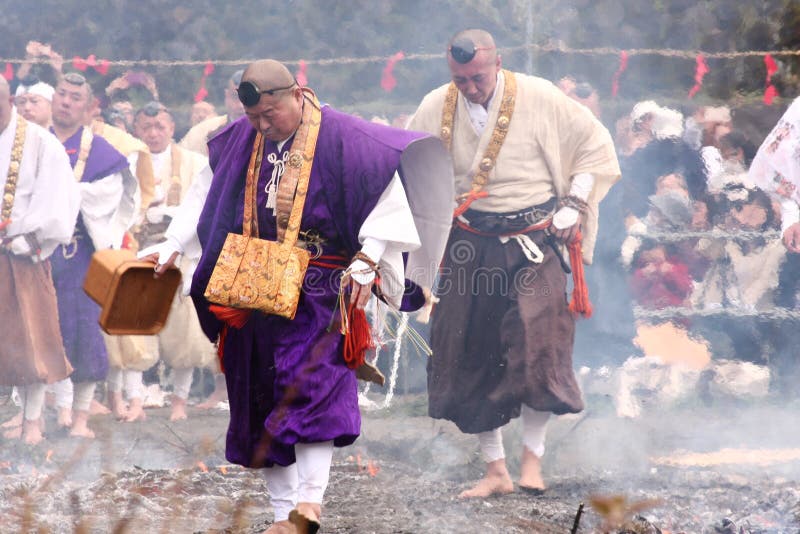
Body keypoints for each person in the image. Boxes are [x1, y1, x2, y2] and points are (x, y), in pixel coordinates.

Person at [187, 59, 450, 533]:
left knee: (309, 389)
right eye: (254, 119)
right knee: (257, 397)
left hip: (321, 287)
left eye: (271, 115)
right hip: (252, 283)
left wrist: (369, 258)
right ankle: (281, 514)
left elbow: (386, 202)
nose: (263, 126)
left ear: (297, 93)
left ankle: (309, 505)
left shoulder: (345, 136)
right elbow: (203, 199)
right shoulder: (240, 140)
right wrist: (171, 243)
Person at [407, 29, 620, 497]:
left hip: (533, 242)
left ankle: (532, 462)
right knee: (470, 349)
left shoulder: (540, 95)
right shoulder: (434, 106)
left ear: (497, 62)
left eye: (478, 77)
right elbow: (406, 164)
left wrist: (575, 203)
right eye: (460, 79)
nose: (470, 87)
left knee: (538, 343)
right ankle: (495, 470)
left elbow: (594, 146)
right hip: (469, 244)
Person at [105, 101, 216, 422]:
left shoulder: (194, 163)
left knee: (184, 333)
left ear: (172, 129)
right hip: (139, 251)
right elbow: (115, 209)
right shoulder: (127, 163)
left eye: (160, 127)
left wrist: (174, 219)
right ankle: (135, 400)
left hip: (180, 253)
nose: (153, 134)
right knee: (134, 330)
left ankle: (179, 401)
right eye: (146, 128)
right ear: (137, 129)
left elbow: (205, 206)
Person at [48, 72, 139, 438]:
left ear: (88, 108)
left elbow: (105, 198)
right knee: (39, 331)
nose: (66, 101)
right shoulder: (33, 143)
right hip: (36, 255)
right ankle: (39, 415)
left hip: (81, 253)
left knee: (84, 333)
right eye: (61, 94)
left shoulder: (100, 152)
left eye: (74, 97)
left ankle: (81, 417)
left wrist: (57, 192)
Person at [0, 77, 80, 444]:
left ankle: (33, 421)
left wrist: (25, 239)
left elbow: (59, 204)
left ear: (9, 101)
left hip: (22, 257)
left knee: (31, 344)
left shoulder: (41, 143)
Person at [179, 70, 245, 156]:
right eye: (235, 97)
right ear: (227, 96)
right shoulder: (202, 132)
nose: (241, 105)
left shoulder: (267, 134)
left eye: (248, 98)